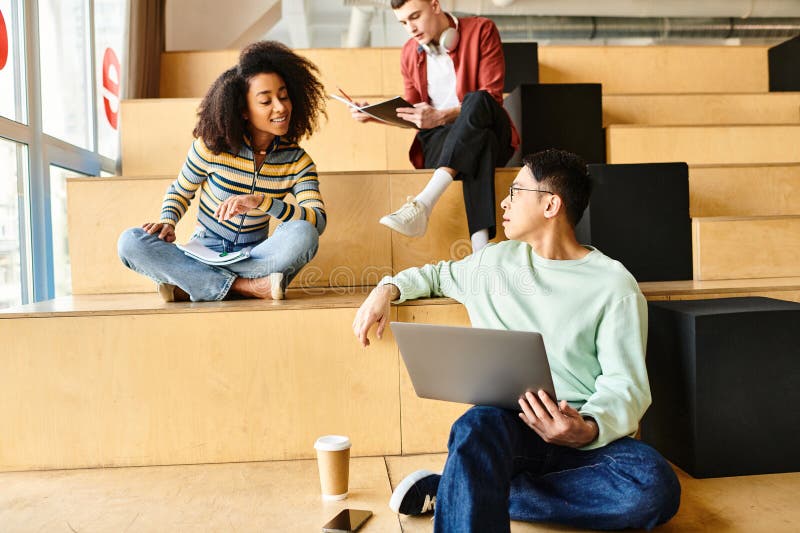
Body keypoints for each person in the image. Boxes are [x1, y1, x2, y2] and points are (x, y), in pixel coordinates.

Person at [352, 149, 681, 532]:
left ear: (550, 204)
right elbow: (434, 275)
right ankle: (472, 487)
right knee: (474, 427)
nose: (504, 203)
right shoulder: (493, 263)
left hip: (583, 439)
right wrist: (386, 289)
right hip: (507, 430)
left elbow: (626, 384)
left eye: (515, 191)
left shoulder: (613, 285)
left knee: (654, 486)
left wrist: (586, 427)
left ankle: (458, 489)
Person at [118, 41, 327, 302]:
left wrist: (262, 202)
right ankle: (248, 287)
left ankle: (195, 285)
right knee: (130, 242)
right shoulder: (212, 147)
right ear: (243, 111)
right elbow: (181, 191)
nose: (281, 107)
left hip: (256, 256)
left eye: (283, 97)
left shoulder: (298, 162)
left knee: (304, 234)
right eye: (266, 101)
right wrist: (168, 222)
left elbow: (317, 220)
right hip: (202, 252)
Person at [350, 0, 519, 253]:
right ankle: (481, 252)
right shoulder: (409, 52)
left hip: (492, 124)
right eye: (404, 22)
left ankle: (423, 203)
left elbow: (492, 97)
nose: (411, 28)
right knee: (479, 141)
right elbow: (413, 111)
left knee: (477, 99)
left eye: (415, 16)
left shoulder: (481, 30)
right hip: (444, 142)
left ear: (435, 5)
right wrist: (373, 114)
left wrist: (441, 116)